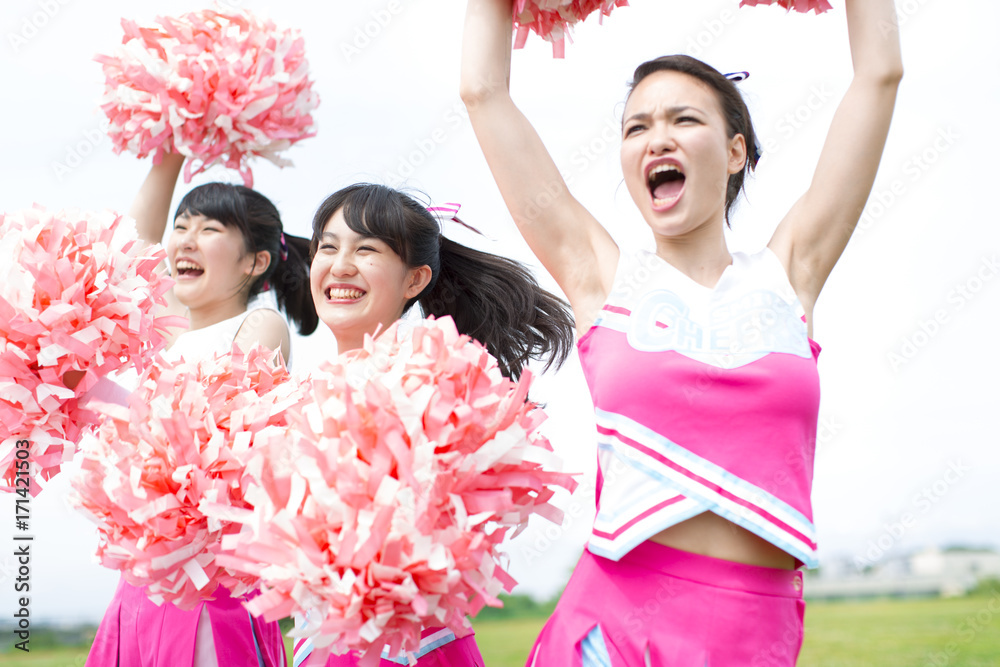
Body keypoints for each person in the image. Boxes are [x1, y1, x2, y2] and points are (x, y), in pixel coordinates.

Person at [460, 0, 902, 664]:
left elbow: (879, 74)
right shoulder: (600, 276)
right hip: (612, 622)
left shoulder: (791, 273)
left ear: (734, 152)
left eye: (683, 119)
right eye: (636, 126)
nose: (655, 138)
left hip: (756, 627)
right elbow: (483, 92)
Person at [292, 182, 576, 666]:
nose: (340, 265)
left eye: (366, 250)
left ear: (414, 279)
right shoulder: (295, 395)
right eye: (328, 246)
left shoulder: (435, 384)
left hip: (413, 647)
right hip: (319, 645)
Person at [86, 153, 318, 667]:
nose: (185, 240)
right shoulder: (164, 328)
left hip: (211, 584)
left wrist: (105, 403)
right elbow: (131, 248)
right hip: (147, 571)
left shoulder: (259, 327)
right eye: (181, 226)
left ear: (255, 262)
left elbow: (216, 431)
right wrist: (168, 150)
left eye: (209, 228)